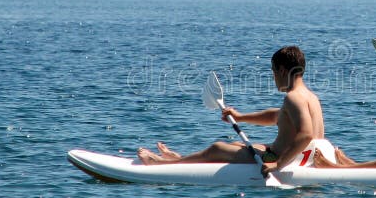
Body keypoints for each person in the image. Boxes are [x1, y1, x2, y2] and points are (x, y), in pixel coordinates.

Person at [138, 46, 325, 178]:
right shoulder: (310, 97)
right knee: (235, 144)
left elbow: (306, 134)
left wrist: (278, 165)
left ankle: (162, 164)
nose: (273, 77)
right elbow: (277, 116)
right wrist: (240, 117)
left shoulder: (293, 97)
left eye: (273, 72)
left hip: (283, 158)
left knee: (217, 148)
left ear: (282, 70)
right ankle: (182, 159)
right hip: (302, 157)